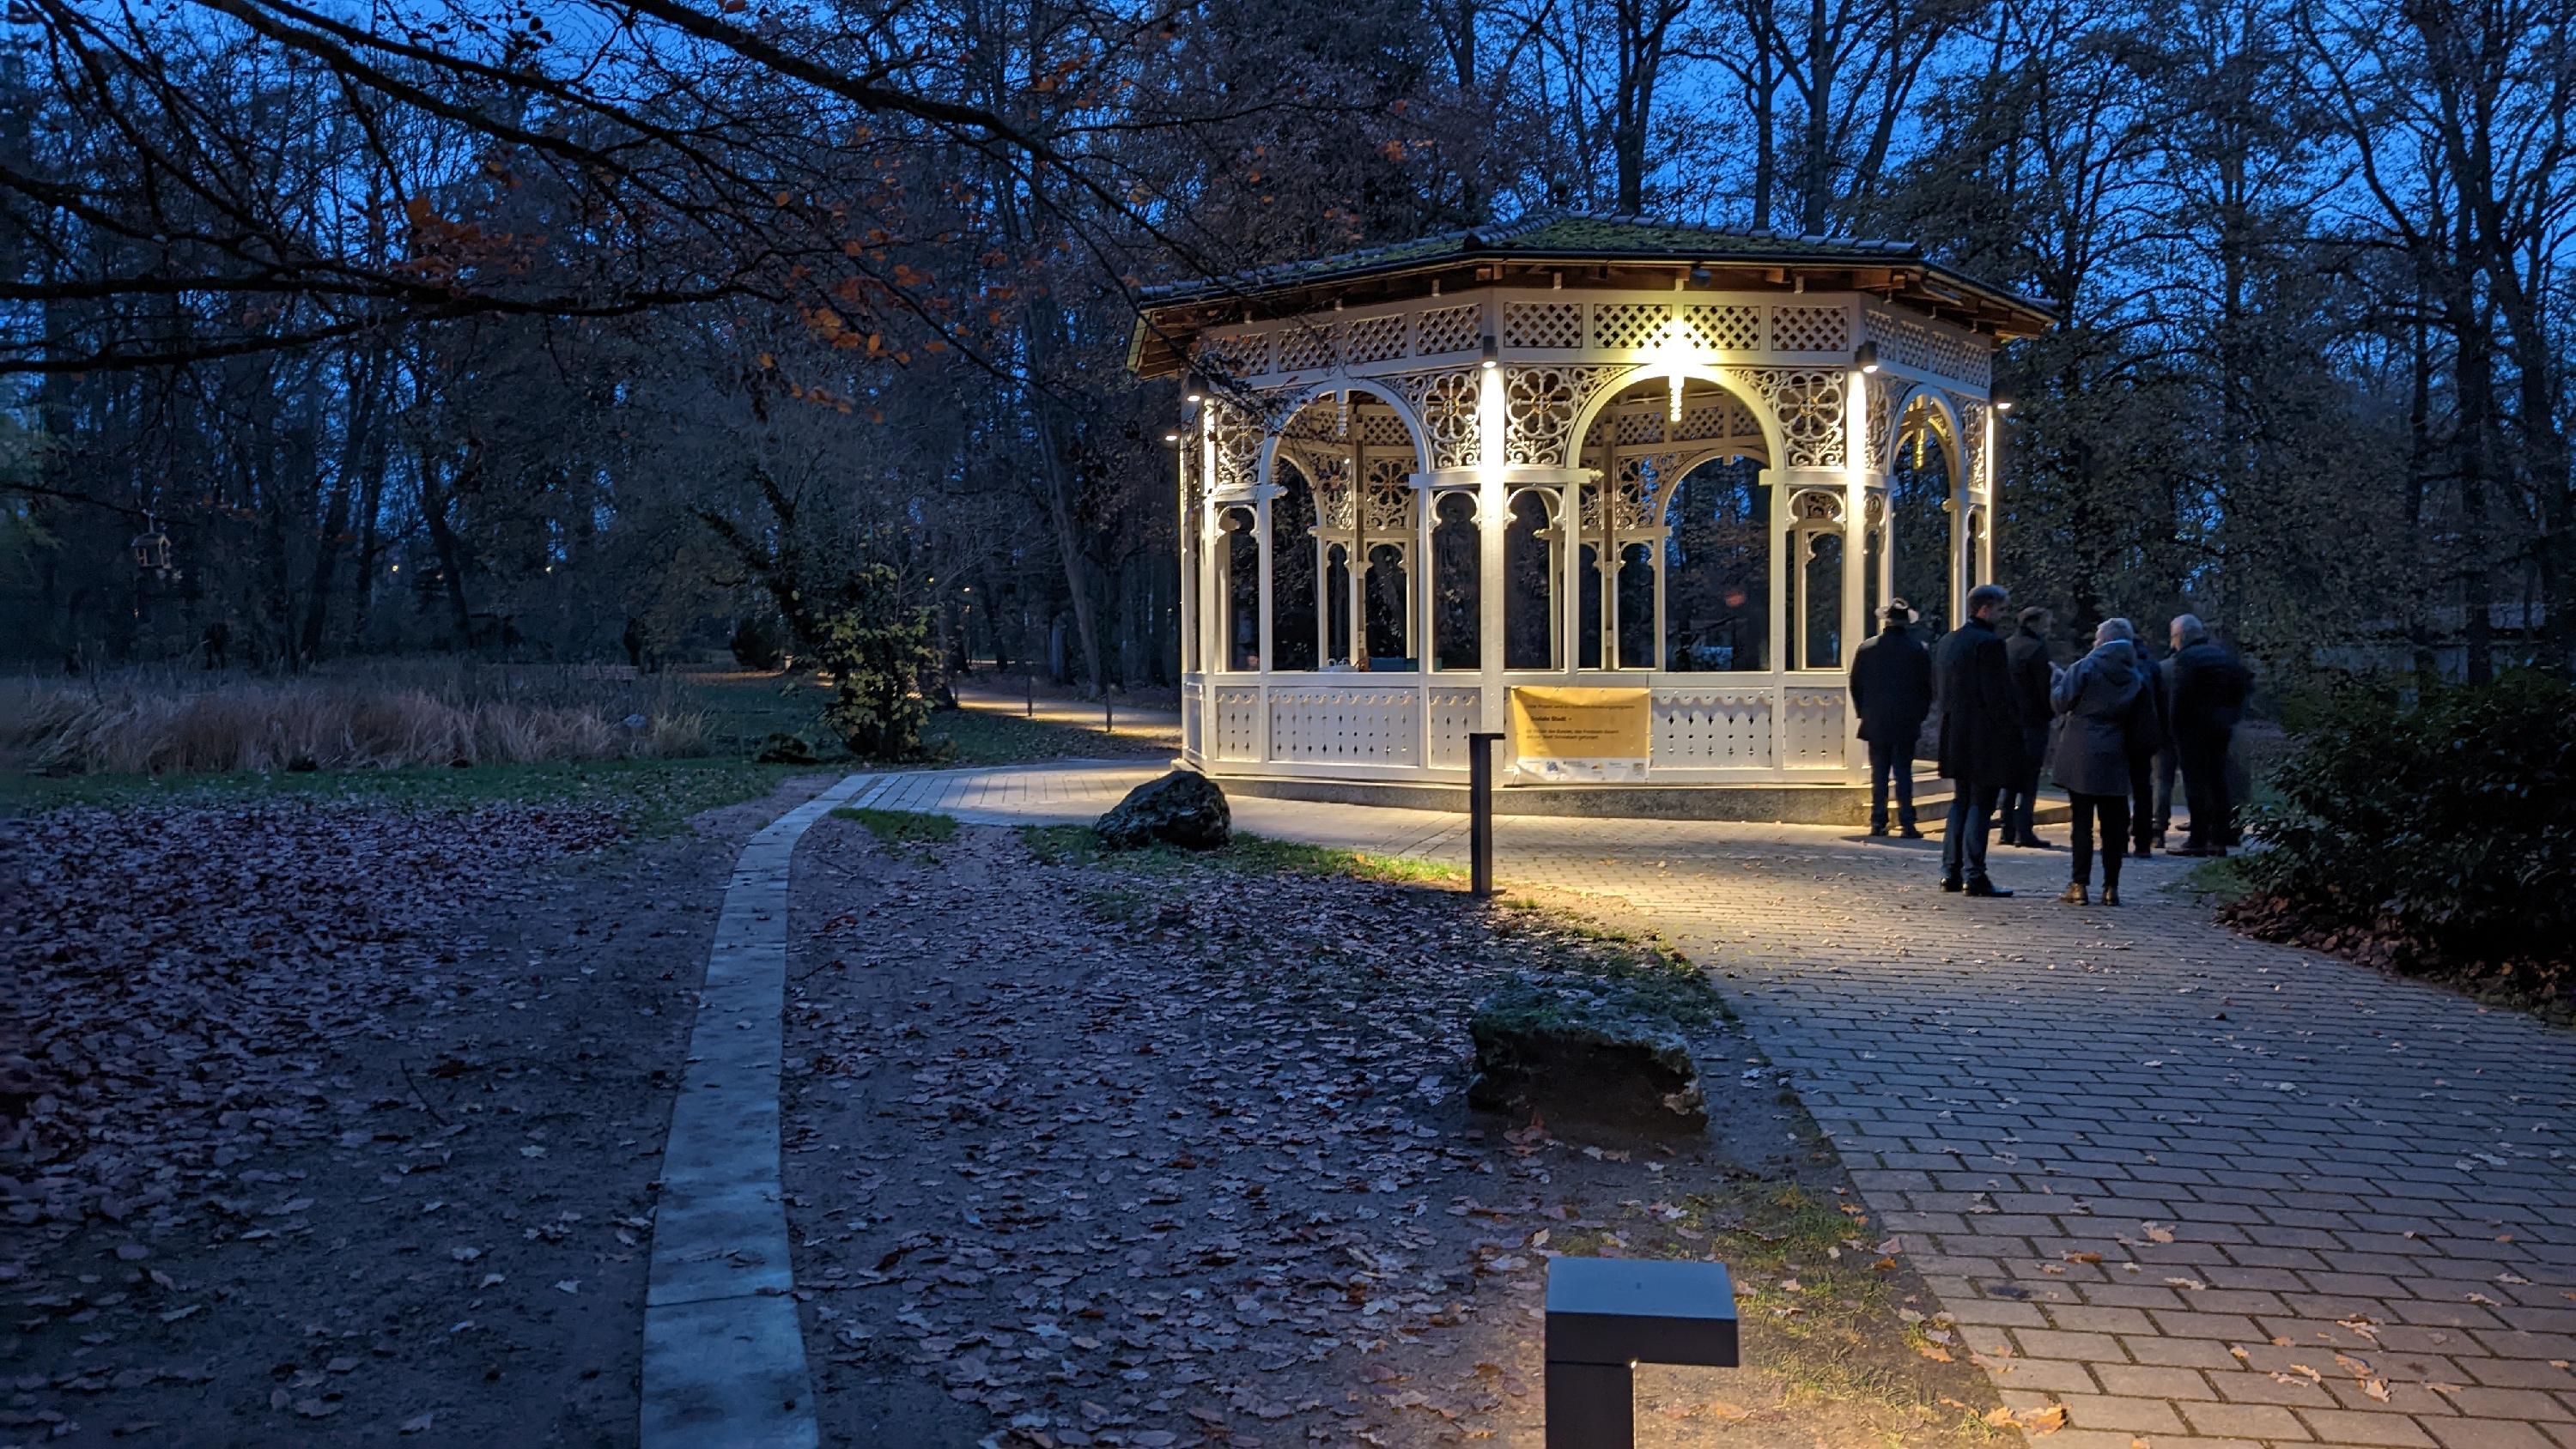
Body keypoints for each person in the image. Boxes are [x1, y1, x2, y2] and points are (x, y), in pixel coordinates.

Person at [2049, 619, 2160, 904]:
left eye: (2097, 638)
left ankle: (2079, 884)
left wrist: (2057, 681)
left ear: (2105, 639)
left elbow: (2061, 702)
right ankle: (2112, 887)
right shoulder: (2135, 674)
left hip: (2081, 750)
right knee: (2113, 824)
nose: (2094, 642)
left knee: (2082, 822)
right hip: (2117, 751)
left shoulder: (2084, 667)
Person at [1933, 582, 2022, 897]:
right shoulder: (1989, 644)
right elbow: (1997, 697)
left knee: (1960, 801)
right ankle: (1975, 873)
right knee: (1981, 804)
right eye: (2000, 609)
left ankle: (1950, 871)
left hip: (1954, 732)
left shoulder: (1948, 641)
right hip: (1984, 736)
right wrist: (2011, 731)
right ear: (1985, 609)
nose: (2003, 615)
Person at [2166, 614, 2252, 856]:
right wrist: (2231, 716)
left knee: (2195, 784)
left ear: (2180, 637)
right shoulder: (2224, 656)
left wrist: (2176, 731)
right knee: (2218, 782)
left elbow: (2179, 698)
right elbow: (2245, 685)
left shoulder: (2186, 659)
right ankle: (2220, 837)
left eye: (2173, 637)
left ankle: (2198, 840)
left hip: (2193, 730)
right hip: (2222, 728)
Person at [1850, 598, 1933, 838]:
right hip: (1906, 719)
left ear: (1886, 620)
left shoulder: (1867, 648)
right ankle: (1907, 822)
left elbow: (1856, 684)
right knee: (1903, 772)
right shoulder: (1917, 649)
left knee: (1879, 772)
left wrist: (1863, 712)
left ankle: (1878, 821)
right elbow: (1926, 688)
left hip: (1876, 719)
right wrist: (1920, 715)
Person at [1998, 606, 2057, 848]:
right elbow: (2043, 689)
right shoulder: (2037, 649)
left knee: (2009, 778)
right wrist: (2049, 713)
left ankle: (2006, 829)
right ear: (2035, 623)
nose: (2049, 627)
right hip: (2032, 722)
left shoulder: (2006, 645)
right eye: (2047, 622)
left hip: (2008, 723)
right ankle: (2025, 830)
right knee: (2029, 779)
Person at [2126, 634, 2171, 857]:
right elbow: (2162, 704)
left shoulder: (2120, 663)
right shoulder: (2152, 667)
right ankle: (2143, 842)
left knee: (2119, 788)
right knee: (2143, 788)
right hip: (2145, 735)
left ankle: (2119, 839)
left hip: (2121, 734)